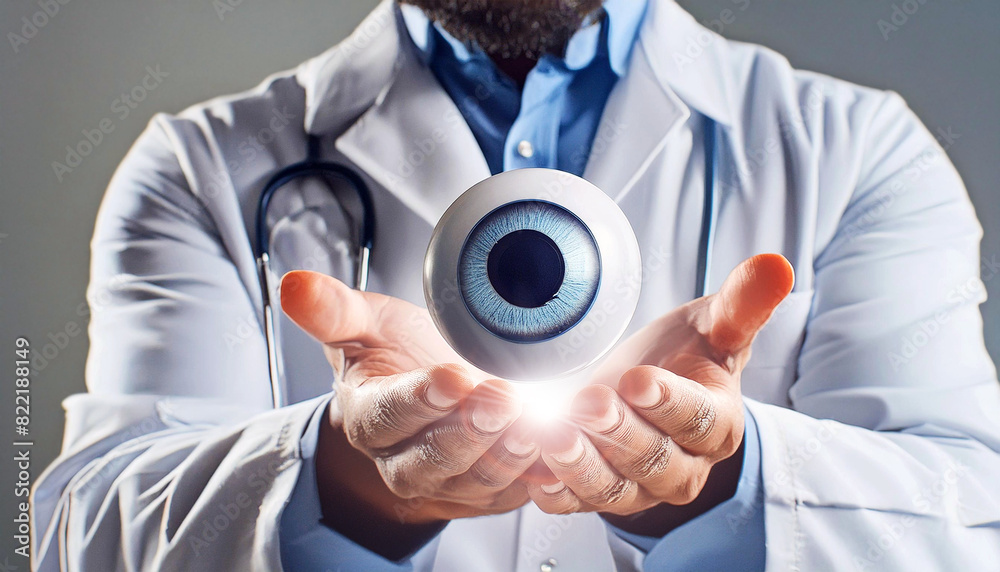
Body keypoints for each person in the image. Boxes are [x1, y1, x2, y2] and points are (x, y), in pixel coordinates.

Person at [32, 0, 1000, 570]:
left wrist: (716, 483)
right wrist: (344, 479)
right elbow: (81, 531)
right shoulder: (201, 166)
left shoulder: (857, 149)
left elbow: (970, 526)